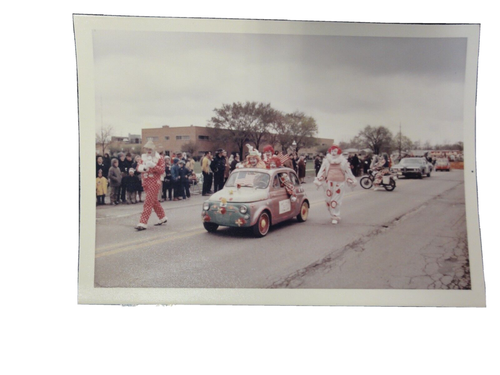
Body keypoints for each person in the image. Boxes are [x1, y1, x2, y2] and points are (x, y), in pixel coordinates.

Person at [314, 144, 356, 225]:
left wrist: (351, 180)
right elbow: (322, 170)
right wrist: (319, 180)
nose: (333, 153)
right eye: (332, 151)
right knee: (328, 200)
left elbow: (348, 172)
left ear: (338, 152)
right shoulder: (327, 161)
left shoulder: (343, 161)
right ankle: (332, 213)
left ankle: (335, 216)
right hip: (329, 183)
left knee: (335, 200)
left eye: (335, 151)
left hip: (340, 183)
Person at [134, 140, 168, 231]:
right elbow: (138, 167)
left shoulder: (159, 158)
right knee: (154, 201)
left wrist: (153, 166)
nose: (148, 150)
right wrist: (144, 168)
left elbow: (162, 170)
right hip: (145, 181)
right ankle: (162, 217)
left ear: (153, 149)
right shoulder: (143, 157)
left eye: (150, 149)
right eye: (147, 149)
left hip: (155, 181)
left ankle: (143, 222)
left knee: (148, 202)